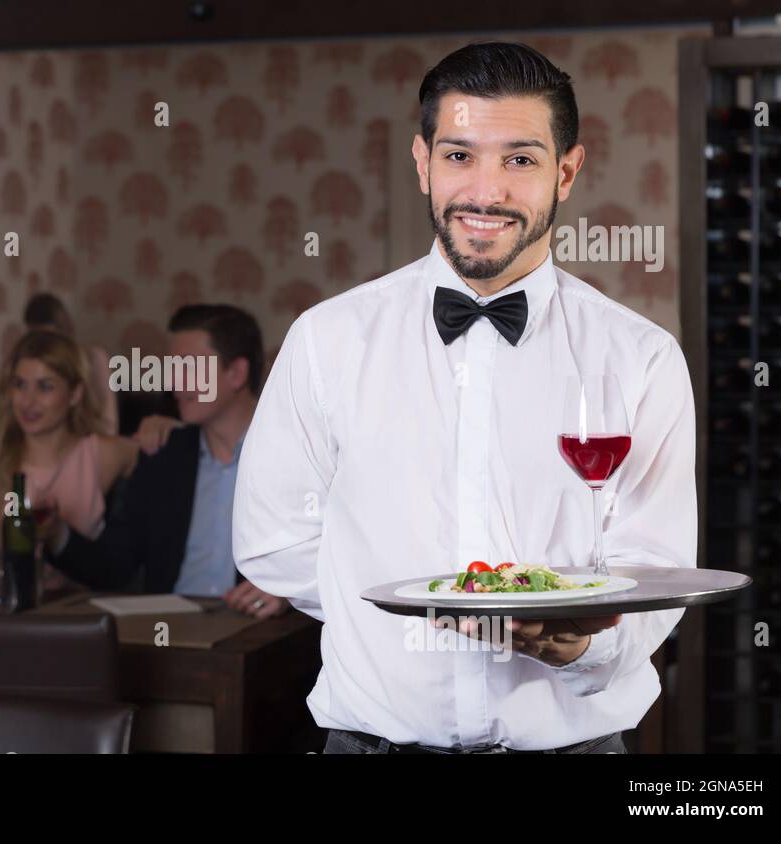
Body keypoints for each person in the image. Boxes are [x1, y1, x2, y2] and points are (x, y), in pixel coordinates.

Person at [234, 42, 695, 753]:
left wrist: (574, 643)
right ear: (422, 163)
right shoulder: (326, 340)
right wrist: (415, 611)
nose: (486, 192)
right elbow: (272, 540)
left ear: (566, 171)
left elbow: (653, 569)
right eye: (459, 156)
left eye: (519, 159)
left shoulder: (641, 358)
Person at [46, 304, 289, 619]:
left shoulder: (294, 453)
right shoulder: (164, 456)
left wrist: (290, 591)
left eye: (188, 368)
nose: (173, 381)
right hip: (170, 638)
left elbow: (333, 555)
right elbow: (113, 568)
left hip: (264, 636)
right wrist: (54, 534)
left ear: (236, 373)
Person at [0, 330, 139, 572]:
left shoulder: (103, 455)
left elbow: (171, 454)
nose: (27, 401)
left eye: (45, 387)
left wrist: (165, 426)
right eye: (20, 385)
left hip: (76, 606)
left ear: (75, 394)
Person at [24, 293, 118, 436]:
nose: (45, 345)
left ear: (63, 330)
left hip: (89, 441)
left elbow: (110, 424)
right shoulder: (31, 365)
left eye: (50, 337)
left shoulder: (93, 358)